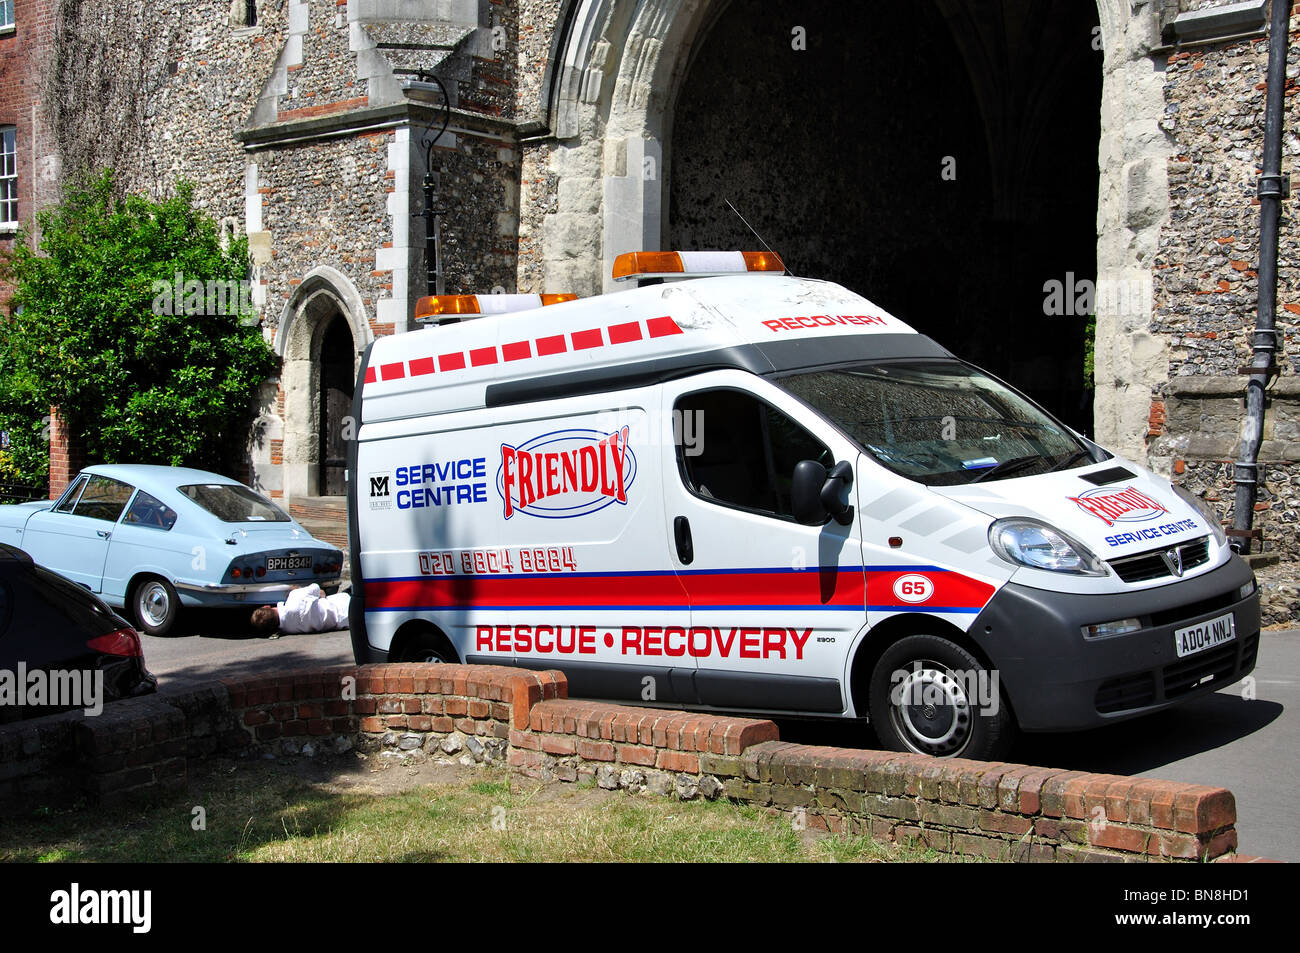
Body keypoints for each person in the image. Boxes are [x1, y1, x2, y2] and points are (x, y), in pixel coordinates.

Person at [250, 583, 350, 635]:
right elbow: (316, 588)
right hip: (346, 602)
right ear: (267, 607)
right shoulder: (295, 597)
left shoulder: (288, 630)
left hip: (346, 621)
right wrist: (296, 590)